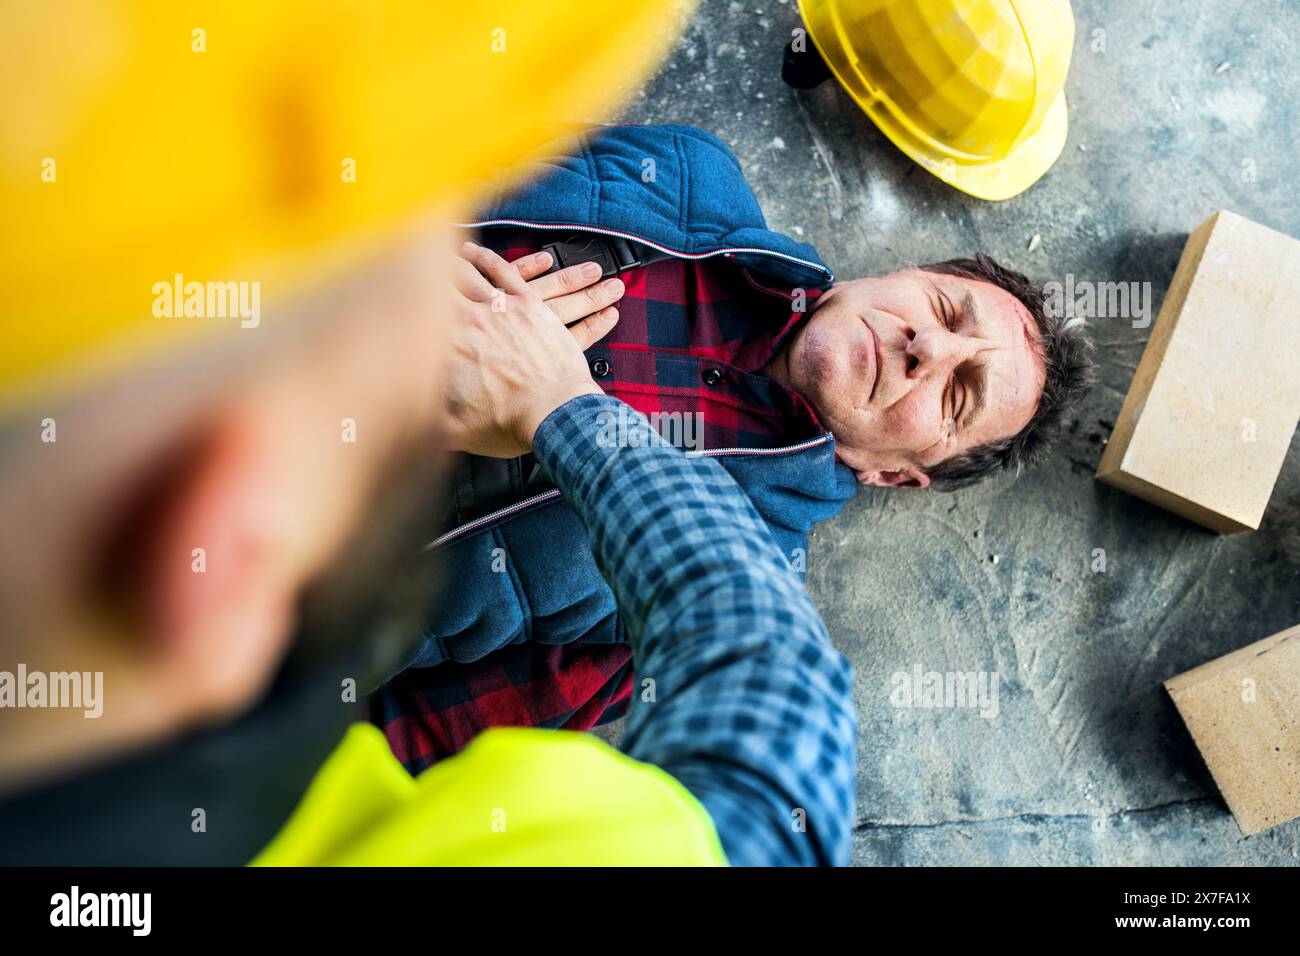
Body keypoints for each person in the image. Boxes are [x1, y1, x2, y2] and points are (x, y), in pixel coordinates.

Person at [374, 124, 1094, 771]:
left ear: (897, 476)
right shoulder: (688, 171)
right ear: (894, 275)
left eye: (957, 393)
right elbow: (420, 136)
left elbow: (401, 741)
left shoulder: (717, 602)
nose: (928, 347)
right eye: (942, 308)